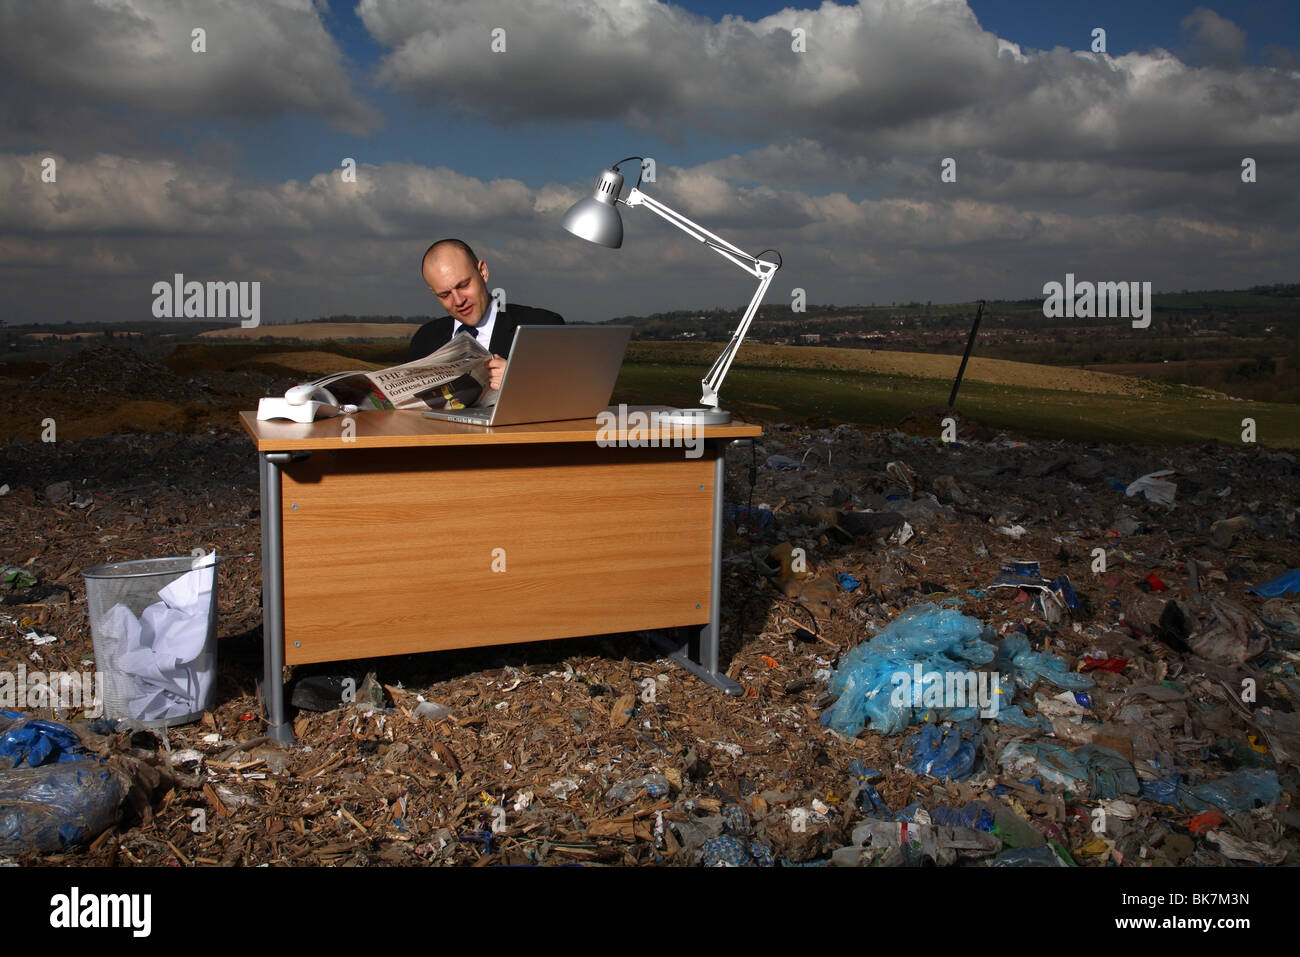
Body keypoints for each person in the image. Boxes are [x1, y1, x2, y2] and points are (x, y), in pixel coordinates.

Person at [408, 239, 564, 388]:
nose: (458, 301)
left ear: (483, 272)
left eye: (463, 285)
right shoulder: (424, 340)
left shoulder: (542, 327)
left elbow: (574, 394)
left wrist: (521, 381)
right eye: (444, 295)